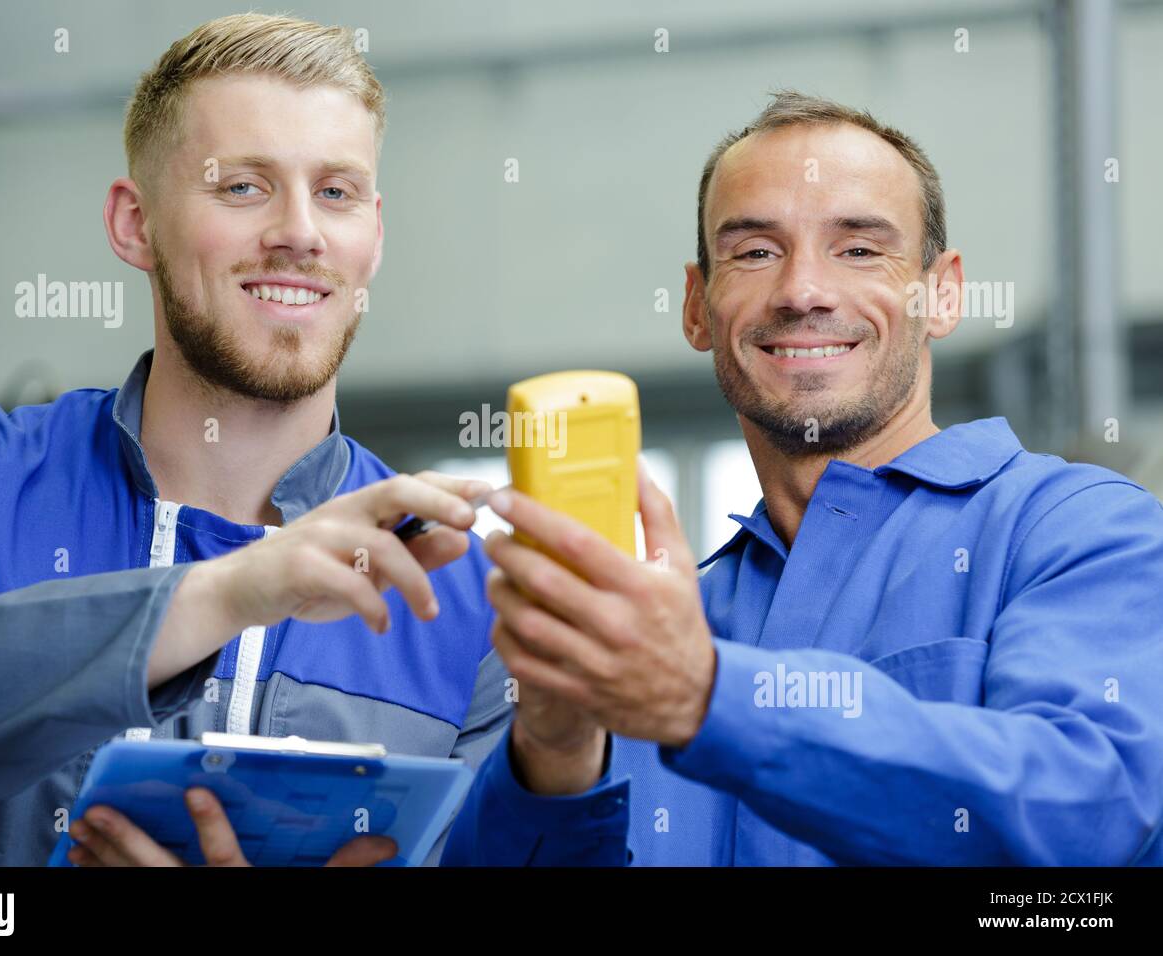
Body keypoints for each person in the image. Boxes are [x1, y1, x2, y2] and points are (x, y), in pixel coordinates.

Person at [439, 91, 1163, 866]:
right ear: (696, 306)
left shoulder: (1082, 531)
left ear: (942, 292)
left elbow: (1091, 815)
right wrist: (555, 755)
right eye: (755, 251)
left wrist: (707, 696)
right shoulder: (655, 629)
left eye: (858, 249)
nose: (801, 291)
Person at [0, 13, 510, 867]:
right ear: (135, 224)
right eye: (243, 187)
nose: (299, 232)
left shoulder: (467, 601)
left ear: (374, 238)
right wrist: (232, 591)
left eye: (337, 192)